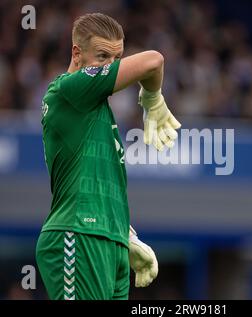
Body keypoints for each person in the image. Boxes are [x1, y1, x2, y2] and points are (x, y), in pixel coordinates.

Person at [36, 12, 181, 300]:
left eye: (117, 58)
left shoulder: (96, 110)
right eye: (102, 56)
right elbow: (153, 60)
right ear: (77, 54)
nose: (111, 66)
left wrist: (123, 234)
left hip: (107, 242)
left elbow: (93, 179)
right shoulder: (69, 90)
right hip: (76, 236)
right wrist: (152, 99)